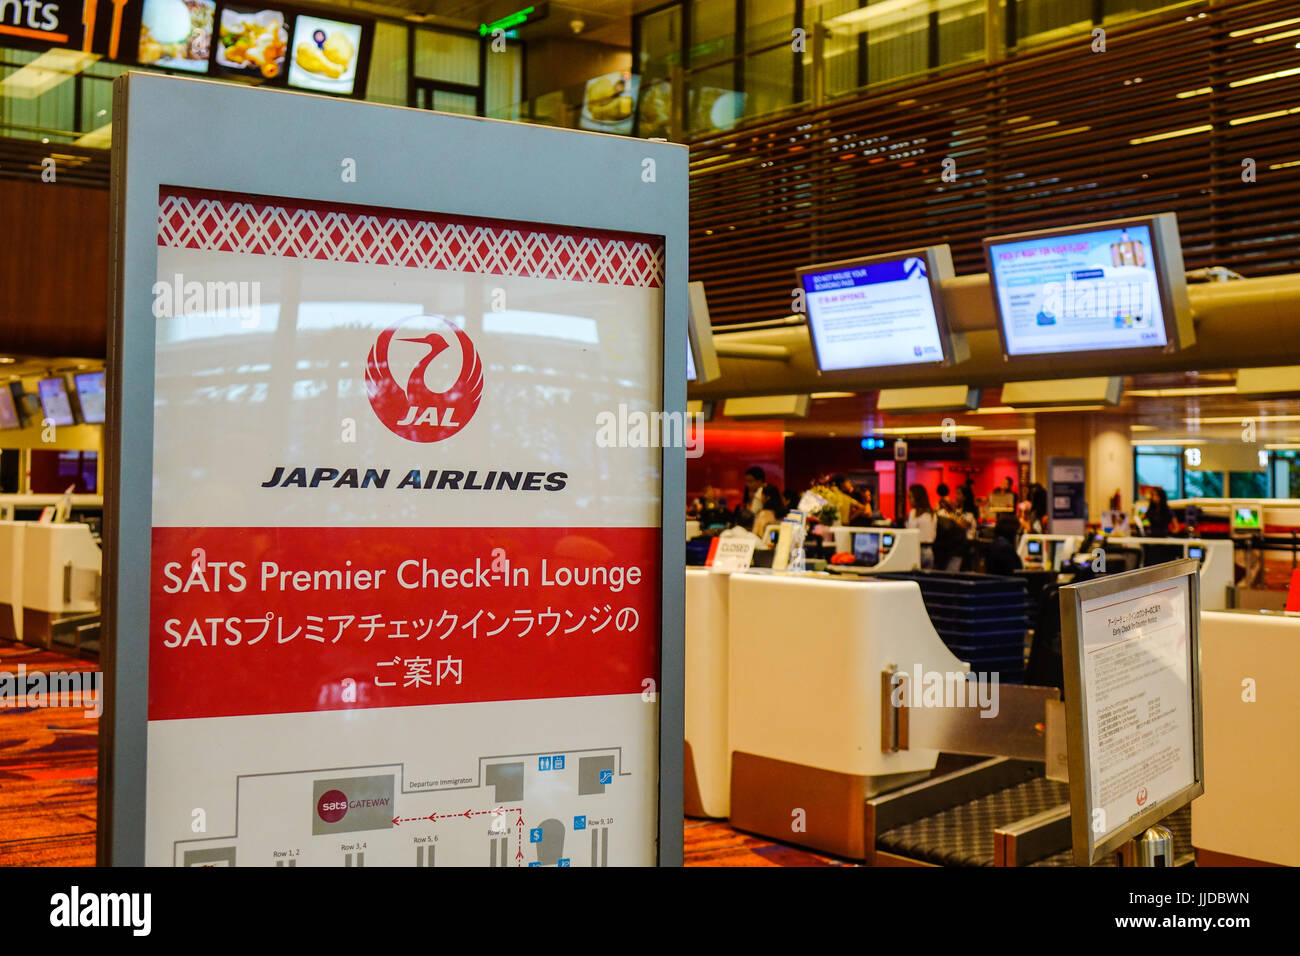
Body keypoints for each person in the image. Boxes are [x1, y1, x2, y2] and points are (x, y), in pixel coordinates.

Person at [906, 483, 937, 569]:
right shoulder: (932, 514)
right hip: (929, 551)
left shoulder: (913, 513)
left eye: (910, 497)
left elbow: (910, 533)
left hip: (917, 549)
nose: (909, 500)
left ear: (917, 498)